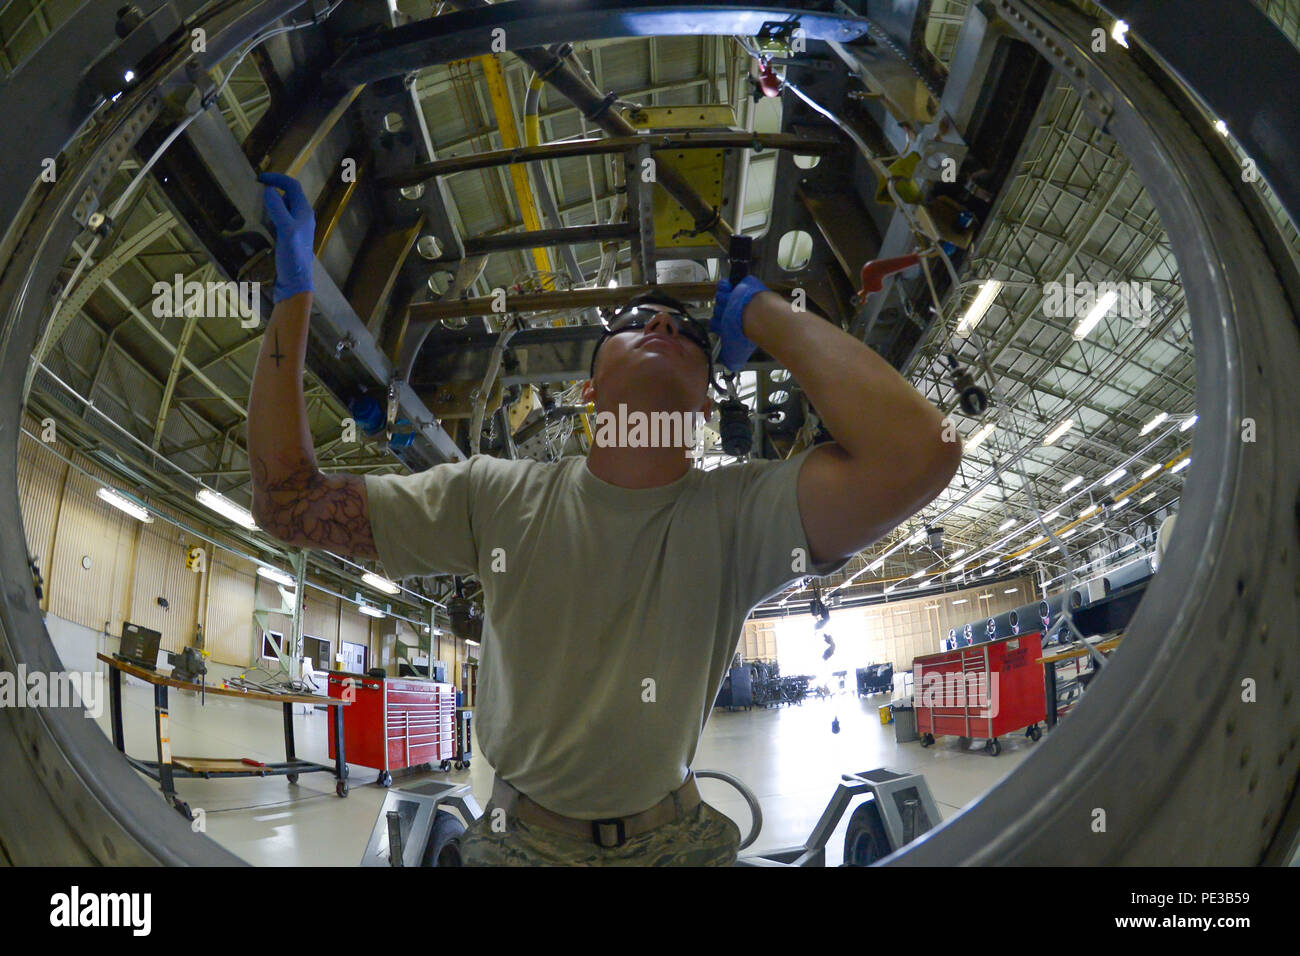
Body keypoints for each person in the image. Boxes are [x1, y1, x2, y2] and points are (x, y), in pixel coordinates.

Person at [247, 173, 962, 865]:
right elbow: (289, 503)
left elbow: (920, 454)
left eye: (683, 328)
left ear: (707, 406)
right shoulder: (494, 497)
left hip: (678, 841)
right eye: (632, 322)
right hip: (517, 845)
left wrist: (762, 313)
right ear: (591, 391)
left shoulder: (740, 515)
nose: (658, 321)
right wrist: (295, 300)